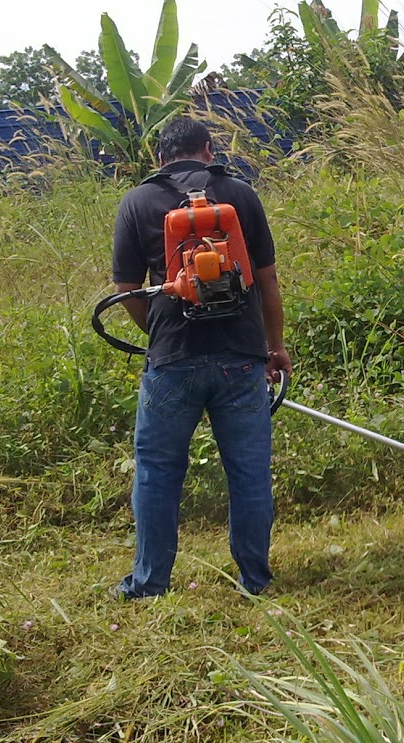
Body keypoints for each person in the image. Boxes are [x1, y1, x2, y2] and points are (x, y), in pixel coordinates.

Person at [111, 117, 291, 599]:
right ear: (208, 150)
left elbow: (126, 288)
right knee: (249, 471)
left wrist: (157, 333)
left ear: (160, 157)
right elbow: (267, 280)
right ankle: (254, 580)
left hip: (172, 359)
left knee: (157, 471)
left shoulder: (137, 201)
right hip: (242, 357)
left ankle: (149, 584)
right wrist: (274, 346)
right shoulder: (240, 195)